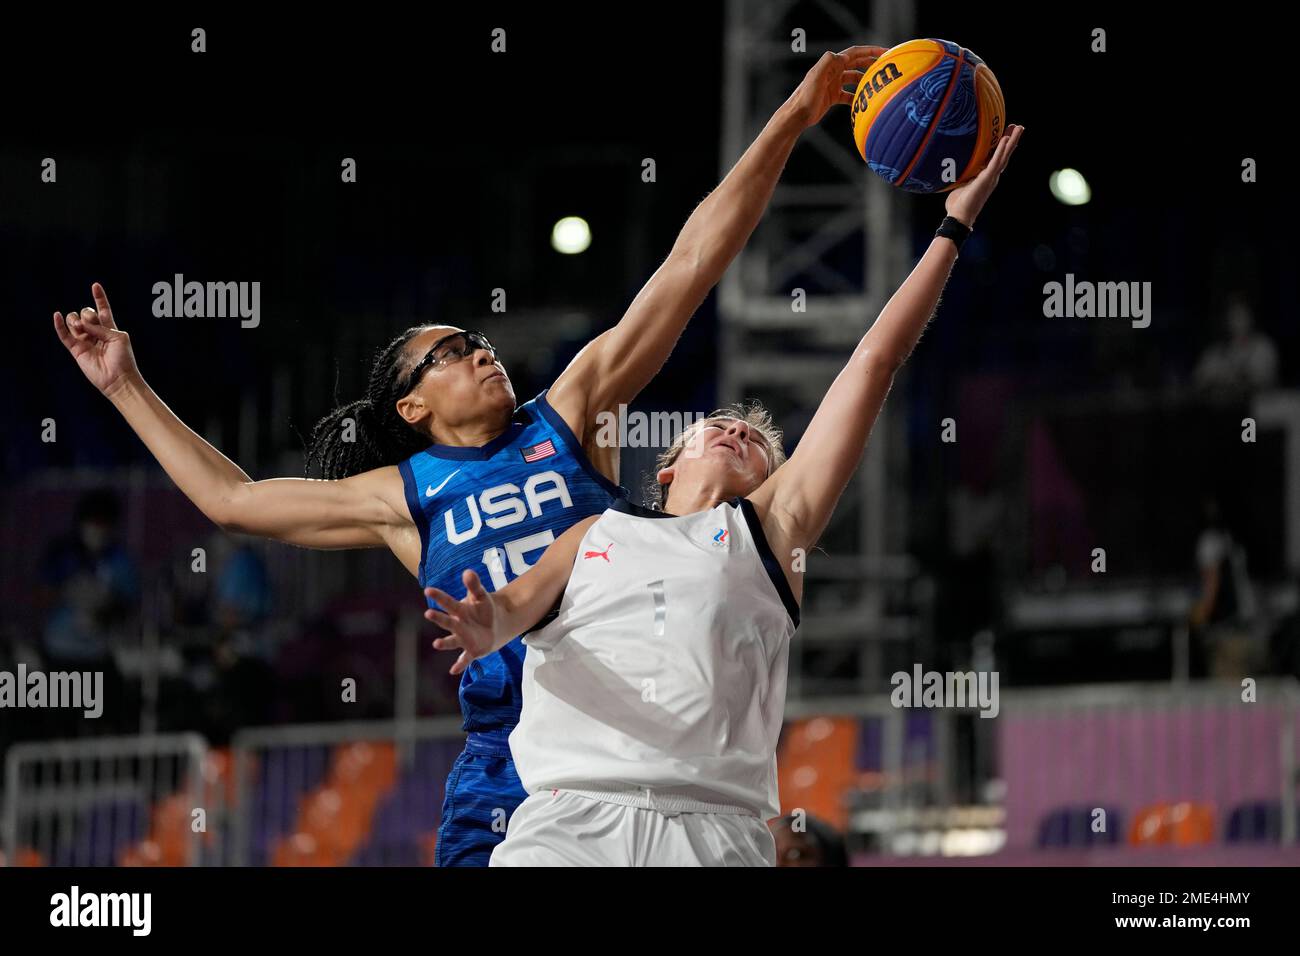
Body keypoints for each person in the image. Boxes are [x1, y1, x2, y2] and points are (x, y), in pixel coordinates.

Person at [50, 44, 886, 866]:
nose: (482, 353)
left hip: (635, 744)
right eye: (451, 352)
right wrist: (125, 385)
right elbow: (231, 501)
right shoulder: (402, 498)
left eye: (480, 340)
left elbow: (694, 260)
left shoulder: (569, 414)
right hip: (508, 769)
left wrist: (792, 119)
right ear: (412, 405)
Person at [424, 125, 1025, 865]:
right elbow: (514, 609)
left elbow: (874, 360)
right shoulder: (594, 533)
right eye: (721, 427)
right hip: (569, 820)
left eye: (757, 446)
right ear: (667, 468)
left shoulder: (770, 532)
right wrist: (487, 626)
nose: (739, 434)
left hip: (712, 830)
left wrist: (953, 225)